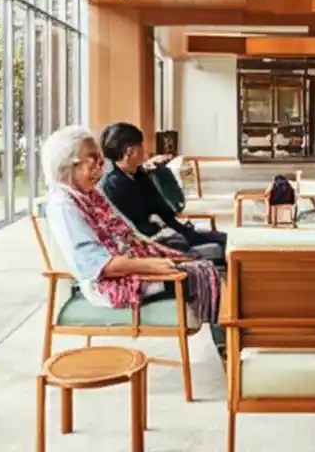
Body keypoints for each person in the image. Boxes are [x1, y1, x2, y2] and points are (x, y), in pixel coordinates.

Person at [41, 125, 225, 356]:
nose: (101, 166)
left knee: (206, 266)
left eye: (101, 160)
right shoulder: (64, 205)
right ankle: (228, 351)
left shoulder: (88, 194)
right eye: (94, 160)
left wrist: (159, 255)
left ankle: (231, 345)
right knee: (211, 275)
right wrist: (154, 265)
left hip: (129, 264)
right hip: (111, 283)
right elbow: (96, 265)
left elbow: (133, 232)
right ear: (70, 164)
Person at [98, 122, 227, 264]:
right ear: (130, 151)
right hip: (150, 247)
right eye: (141, 146)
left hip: (166, 233)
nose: (144, 151)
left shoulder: (139, 174)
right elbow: (136, 228)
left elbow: (163, 210)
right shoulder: (113, 185)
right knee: (219, 249)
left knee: (225, 240)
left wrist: (186, 233)